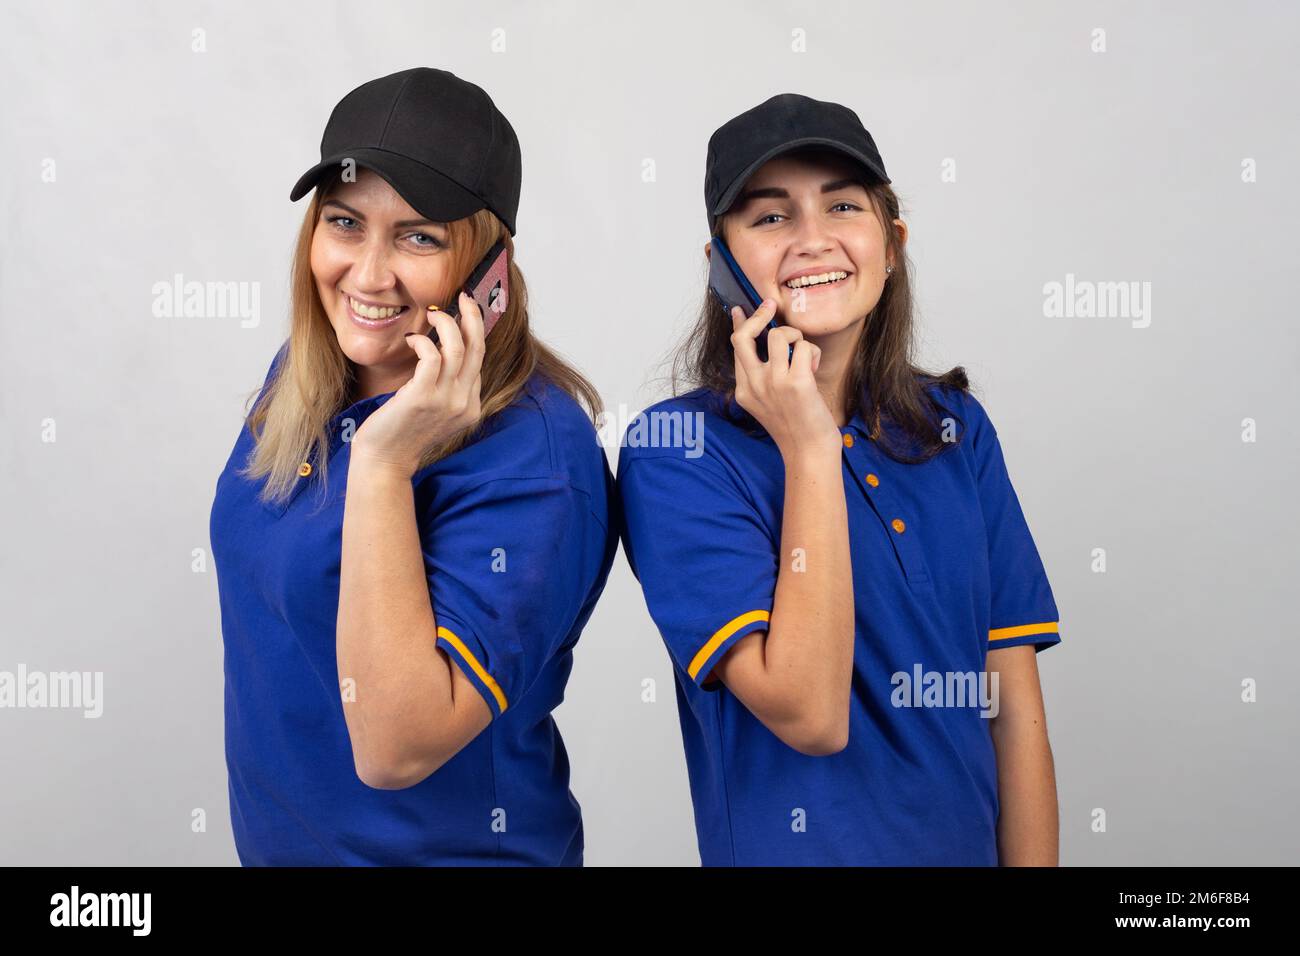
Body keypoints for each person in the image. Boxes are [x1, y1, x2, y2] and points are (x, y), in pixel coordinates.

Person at [618, 93, 1063, 865]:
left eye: (843, 207)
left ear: (890, 245)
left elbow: (1012, 706)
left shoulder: (955, 430)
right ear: (720, 266)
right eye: (770, 217)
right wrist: (811, 449)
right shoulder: (676, 453)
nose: (813, 241)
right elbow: (808, 714)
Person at [209, 68, 616, 865]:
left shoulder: (536, 453)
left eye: (419, 236)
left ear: (491, 267)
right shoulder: (304, 374)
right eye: (345, 223)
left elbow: (395, 749)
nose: (368, 274)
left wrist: (384, 464)